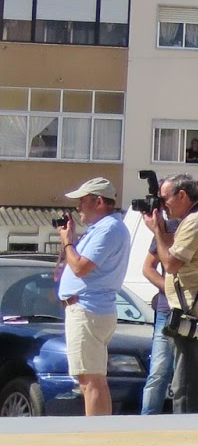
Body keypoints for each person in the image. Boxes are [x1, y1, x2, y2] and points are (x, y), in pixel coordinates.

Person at [145, 175, 198, 413]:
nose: (162, 205)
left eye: (164, 199)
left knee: (186, 387)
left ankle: (188, 436)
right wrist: (160, 227)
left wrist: (157, 232)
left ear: (182, 195)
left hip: (193, 315)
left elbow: (170, 263)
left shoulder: (197, 220)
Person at [53, 177, 133, 416]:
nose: (78, 208)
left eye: (82, 201)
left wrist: (68, 243)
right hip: (92, 308)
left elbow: (81, 267)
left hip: (87, 309)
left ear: (98, 201)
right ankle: (103, 432)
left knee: (89, 380)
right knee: (94, 378)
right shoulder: (106, 228)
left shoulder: (108, 228)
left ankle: (95, 436)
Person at [138, 211, 180, 415]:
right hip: (167, 311)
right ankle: (148, 421)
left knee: (185, 373)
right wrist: (171, 291)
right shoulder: (168, 228)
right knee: (158, 370)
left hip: (196, 311)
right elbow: (148, 268)